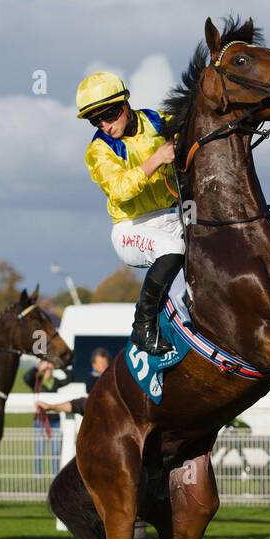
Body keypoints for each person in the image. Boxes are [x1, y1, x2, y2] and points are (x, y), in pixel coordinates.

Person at [76, 72, 182, 356]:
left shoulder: (158, 121)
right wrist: (158, 158)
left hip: (176, 216)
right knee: (174, 248)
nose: (105, 126)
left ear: (125, 105)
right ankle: (143, 325)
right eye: (95, 121)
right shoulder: (98, 150)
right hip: (132, 228)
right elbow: (121, 190)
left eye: (108, 116)